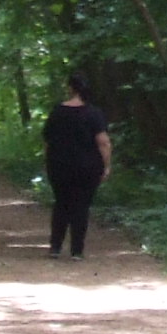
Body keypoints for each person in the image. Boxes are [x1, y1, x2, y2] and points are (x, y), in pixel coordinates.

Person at [41, 74, 113, 258]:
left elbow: (48, 141)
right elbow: (103, 142)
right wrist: (106, 166)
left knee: (61, 204)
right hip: (87, 167)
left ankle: (55, 247)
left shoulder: (57, 112)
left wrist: (47, 162)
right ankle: (76, 250)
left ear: (71, 88)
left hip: (59, 165)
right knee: (81, 206)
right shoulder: (94, 113)